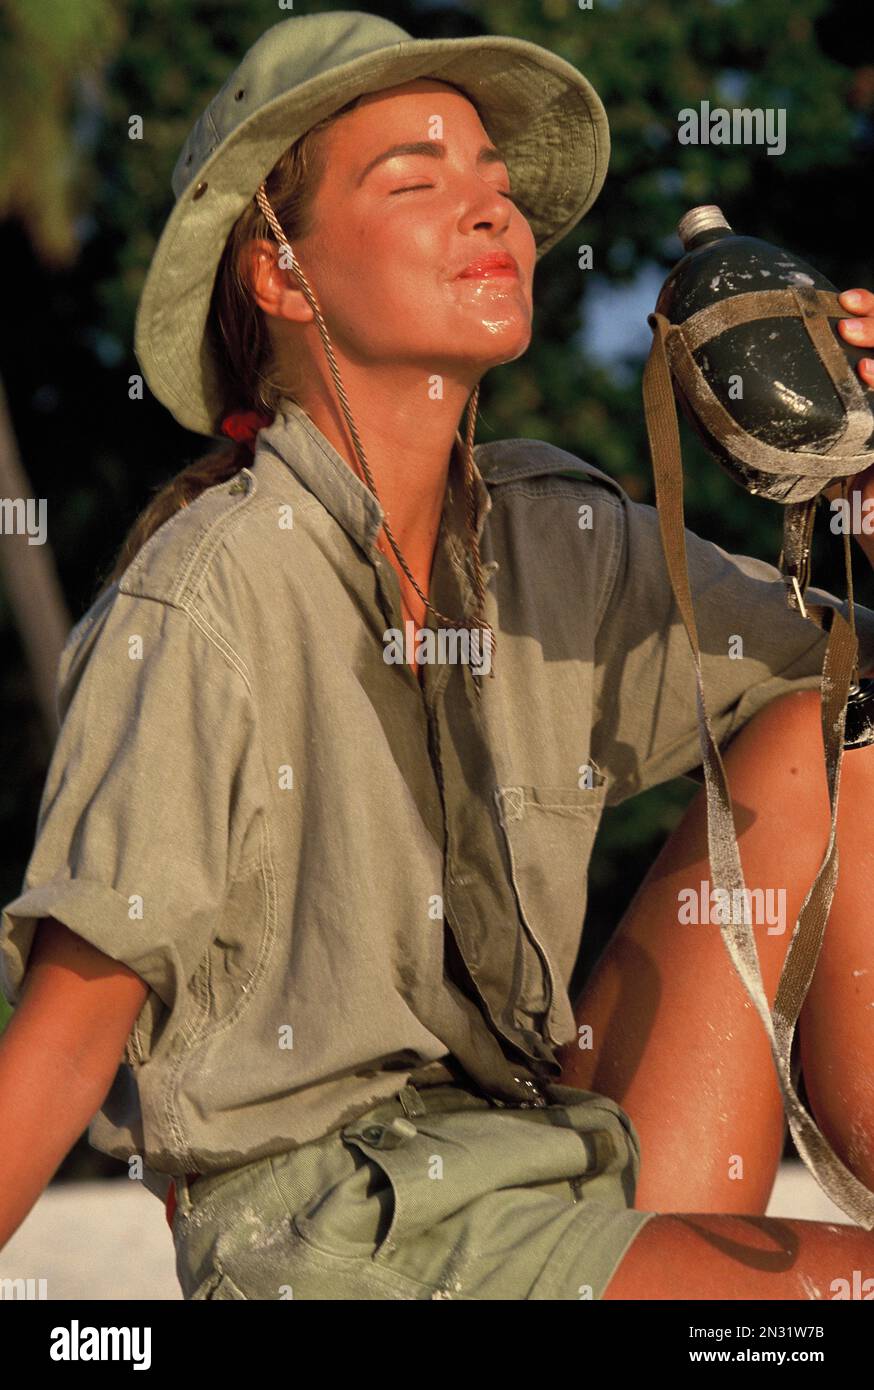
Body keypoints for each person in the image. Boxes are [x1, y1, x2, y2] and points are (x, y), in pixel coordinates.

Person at [2, 12, 874, 1301]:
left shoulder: (562, 544)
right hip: (337, 1241)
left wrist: (863, 499)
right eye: (417, 182)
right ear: (280, 275)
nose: (490, 213)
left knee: (836, 737)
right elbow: (70, 1035)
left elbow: (851, 683)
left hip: (541, 1179)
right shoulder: (206, 599)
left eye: (498, 186)